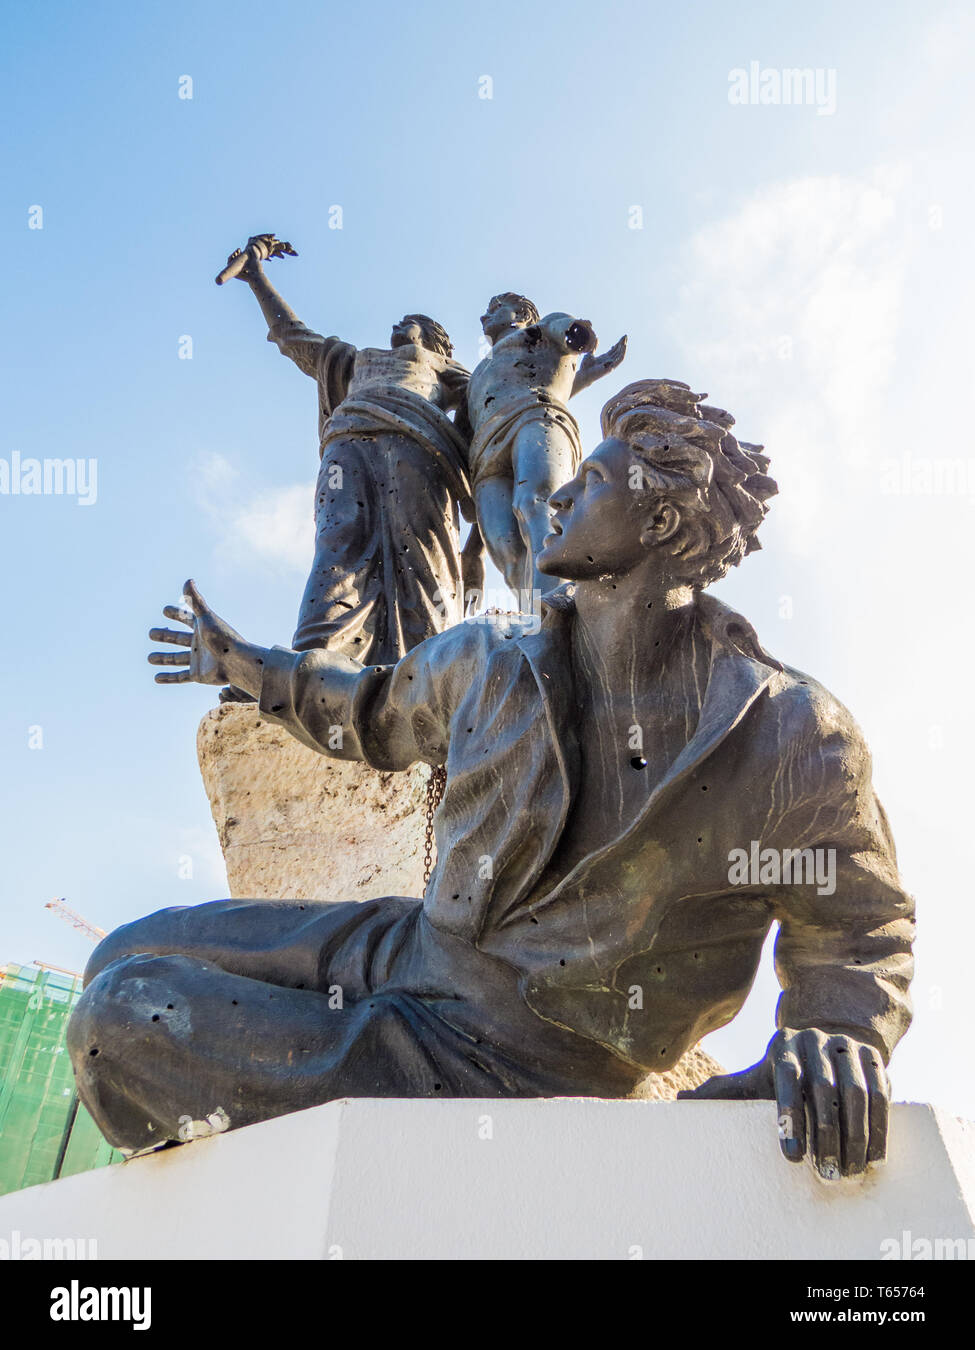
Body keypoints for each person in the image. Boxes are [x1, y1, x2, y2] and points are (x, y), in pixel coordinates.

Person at [70, 379, 913, 1178]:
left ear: (659, 520)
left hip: (513, 1055)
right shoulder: (489, 658)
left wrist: (838, 1029)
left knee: (119, 1021)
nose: (555, 498)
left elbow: (858, 927)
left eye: (590, 483)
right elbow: (364, 710)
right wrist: (241, 666)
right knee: (121, 949)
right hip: (409, 945)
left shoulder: (788, 730)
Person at [224, 234, 483, 674]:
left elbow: (501, 393)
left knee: (421, 557)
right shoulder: (353, 359)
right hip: (348, 444)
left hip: (419, 451)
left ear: (436, 341)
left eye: (410, 321)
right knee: (338, 540)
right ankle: (313, 660)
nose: (397, 325)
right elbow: (291, 337)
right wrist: (255, 275)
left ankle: (428, 671)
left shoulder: (444, 369)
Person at [467, 291, 626, 598]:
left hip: (535, 417)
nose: (486, 316)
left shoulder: (539, 331)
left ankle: (557, 602)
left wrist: (577, 337)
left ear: (521, 314)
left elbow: (569, 333)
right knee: (505, 546)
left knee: (535, 502)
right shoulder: (477, 374)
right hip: (485, 454)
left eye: (497, 308)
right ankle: (535, 615)